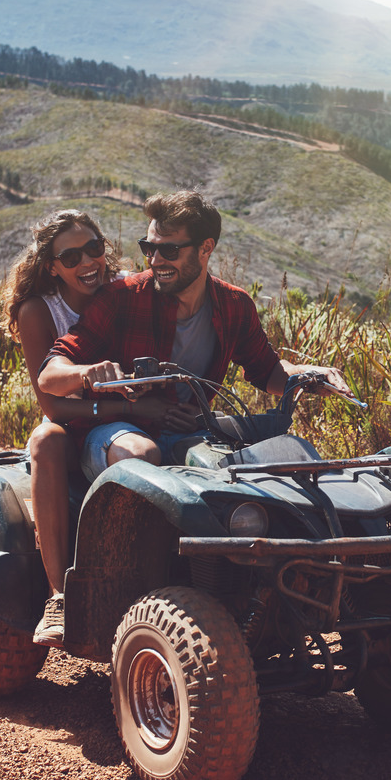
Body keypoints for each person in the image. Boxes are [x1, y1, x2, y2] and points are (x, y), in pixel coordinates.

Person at [32, 190, 347, 645]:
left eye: (169, 249)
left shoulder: (233, 305)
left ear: (206, 249)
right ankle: (126, 593)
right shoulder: (123, 297)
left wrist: (311, 376)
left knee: (277, 467)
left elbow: (268, 371)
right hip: (118, 430)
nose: (156, 259)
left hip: (195, 432)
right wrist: (87, 373)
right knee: (143, 453)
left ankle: (278, 587)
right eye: (149, 248)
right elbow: (50, 374)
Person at [1, 209, 168, 649]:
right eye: (70, 257)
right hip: (74, 420)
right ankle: (58, 596)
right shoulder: (39, 310)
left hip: (130, 417)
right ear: (51, 266)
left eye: (93, 249)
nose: (86, 263)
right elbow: (51, 404)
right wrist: (107, 399)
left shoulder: (124, 290)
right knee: (46, 441)